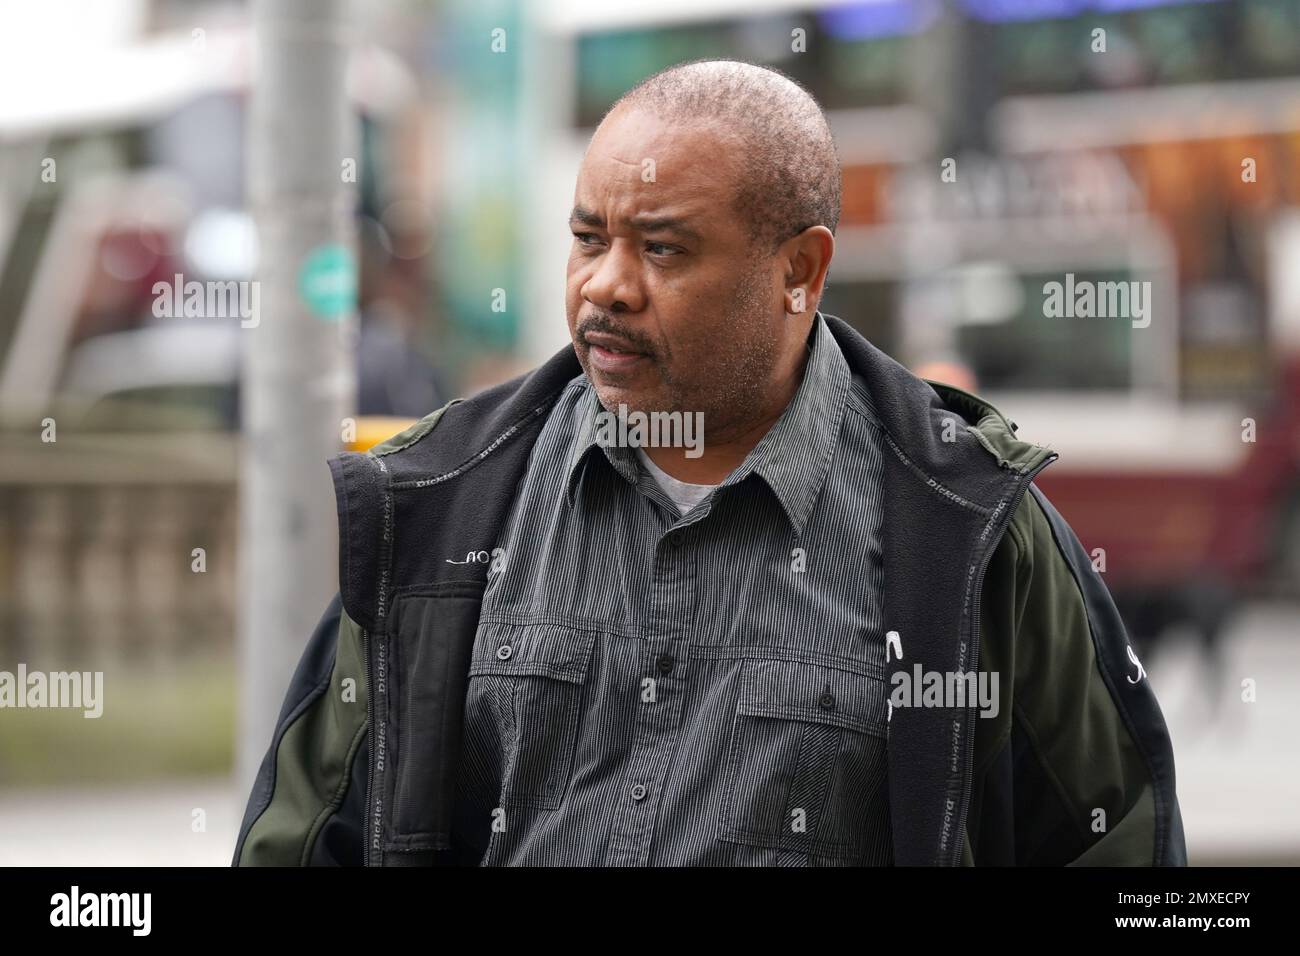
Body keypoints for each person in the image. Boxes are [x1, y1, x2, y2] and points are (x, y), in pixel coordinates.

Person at [233, 59, 1185, 866]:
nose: (605, 284)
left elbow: (1120, 844)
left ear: (798, 273)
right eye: (587, 238)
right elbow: (306, 837)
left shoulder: (964, 527)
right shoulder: (446, 504)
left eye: (662, 248)